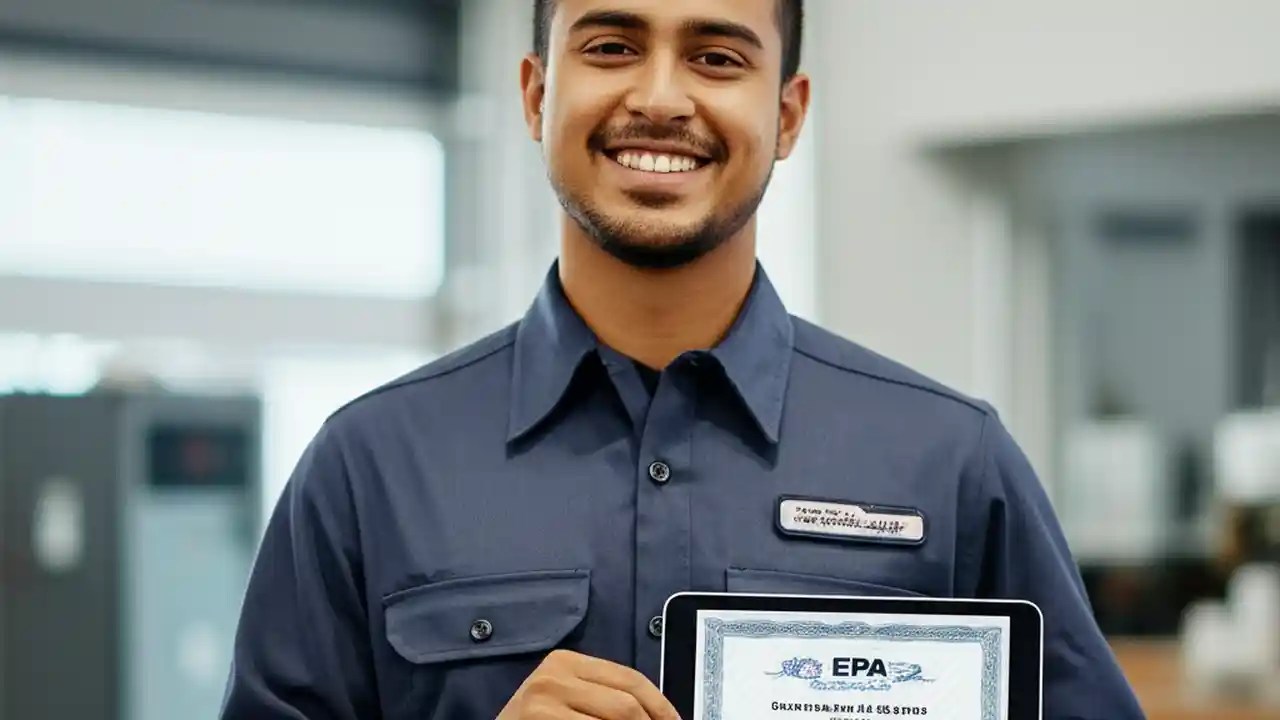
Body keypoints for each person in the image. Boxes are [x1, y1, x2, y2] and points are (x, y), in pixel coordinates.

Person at [219, 0, 1146, 718]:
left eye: (716, 57)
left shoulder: (952, 463)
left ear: (787, 115)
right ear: (539, 95)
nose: (660, 99)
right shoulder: (370, 466)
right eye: (613, 46)